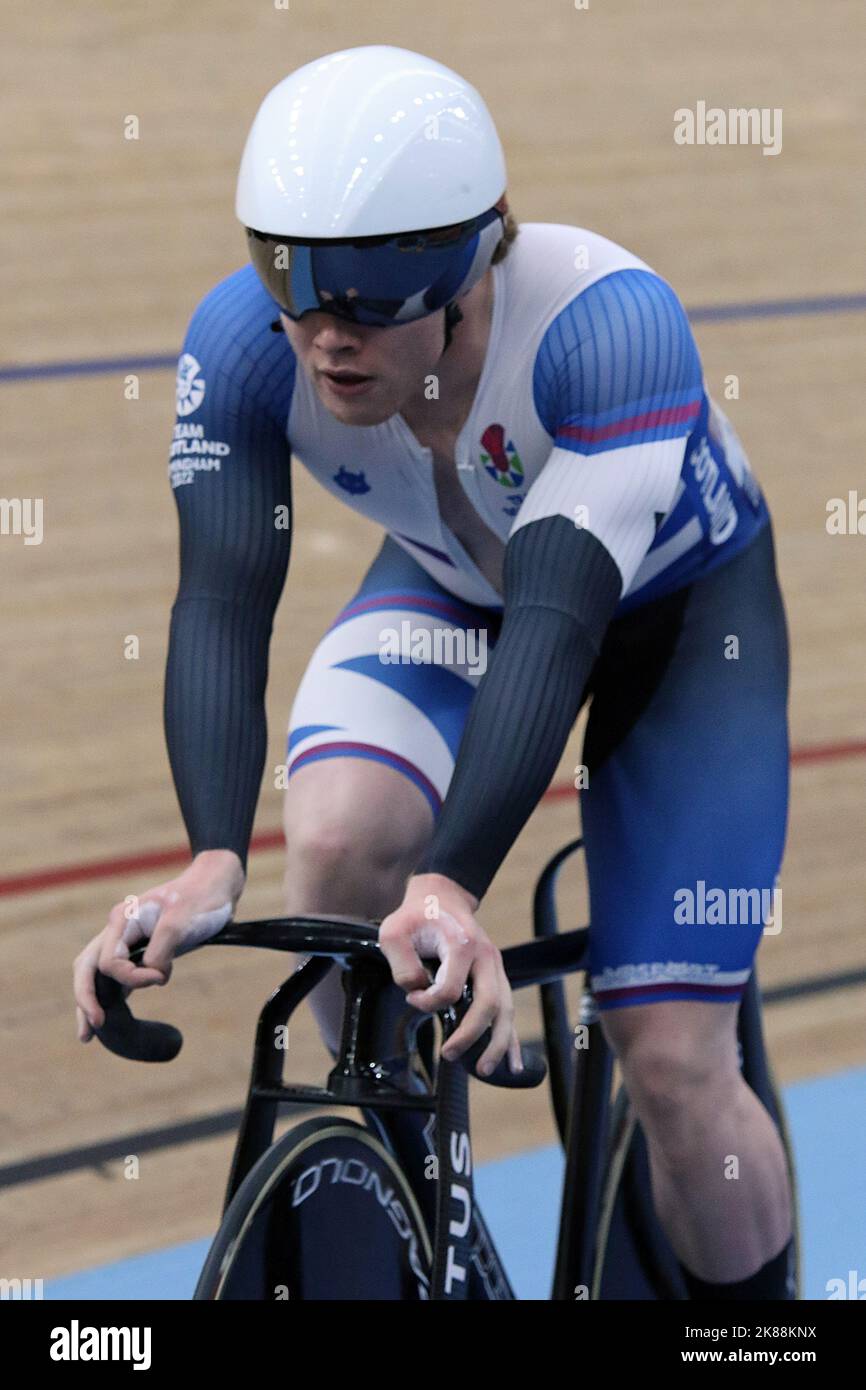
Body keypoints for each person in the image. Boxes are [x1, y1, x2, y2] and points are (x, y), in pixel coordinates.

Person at [74, 45, 793, 1300]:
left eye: (368, 294)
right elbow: (223, 602)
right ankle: (431, 1218)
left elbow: (561, 624)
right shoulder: (245, 347)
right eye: (289, 279)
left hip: (672, 624)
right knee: (340, 845)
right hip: (455, 594)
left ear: (465, 269)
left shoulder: (605, 328)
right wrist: (208, 856)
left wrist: (454, 886)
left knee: (670, 1059)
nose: (325, 334)